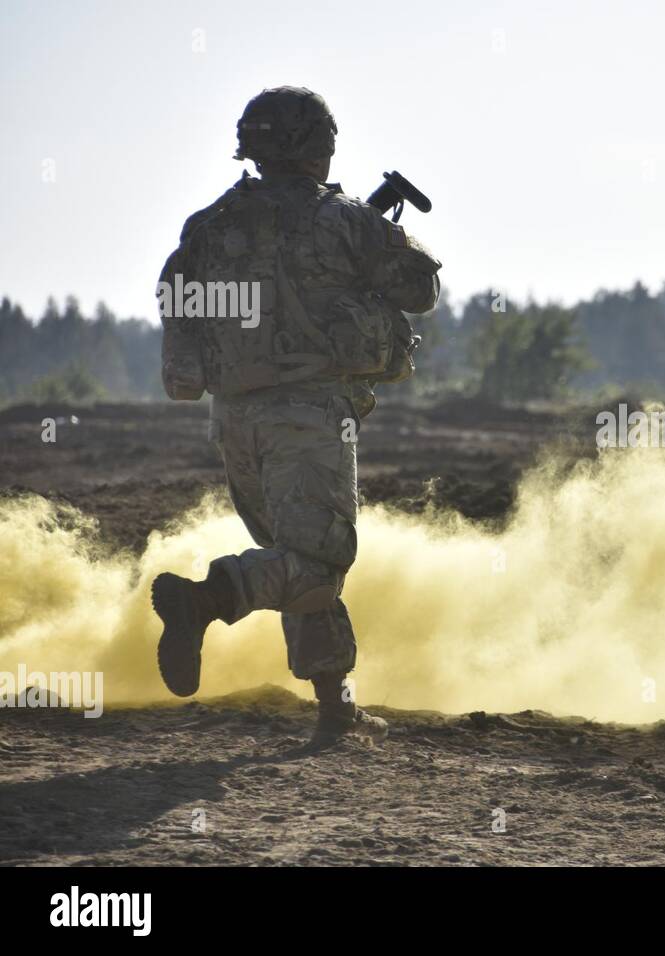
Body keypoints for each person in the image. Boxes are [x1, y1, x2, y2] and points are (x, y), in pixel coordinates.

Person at [152, 86, 440, 744]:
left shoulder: (209, 227)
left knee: (293, 558)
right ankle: (204, 600)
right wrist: (393, 233)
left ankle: (335, 710)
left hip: (234, 421)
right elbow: (419, 290)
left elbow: (182, 326)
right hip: (308, 413)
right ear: (316, 146)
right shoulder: (341, 219)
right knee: (314, 563)